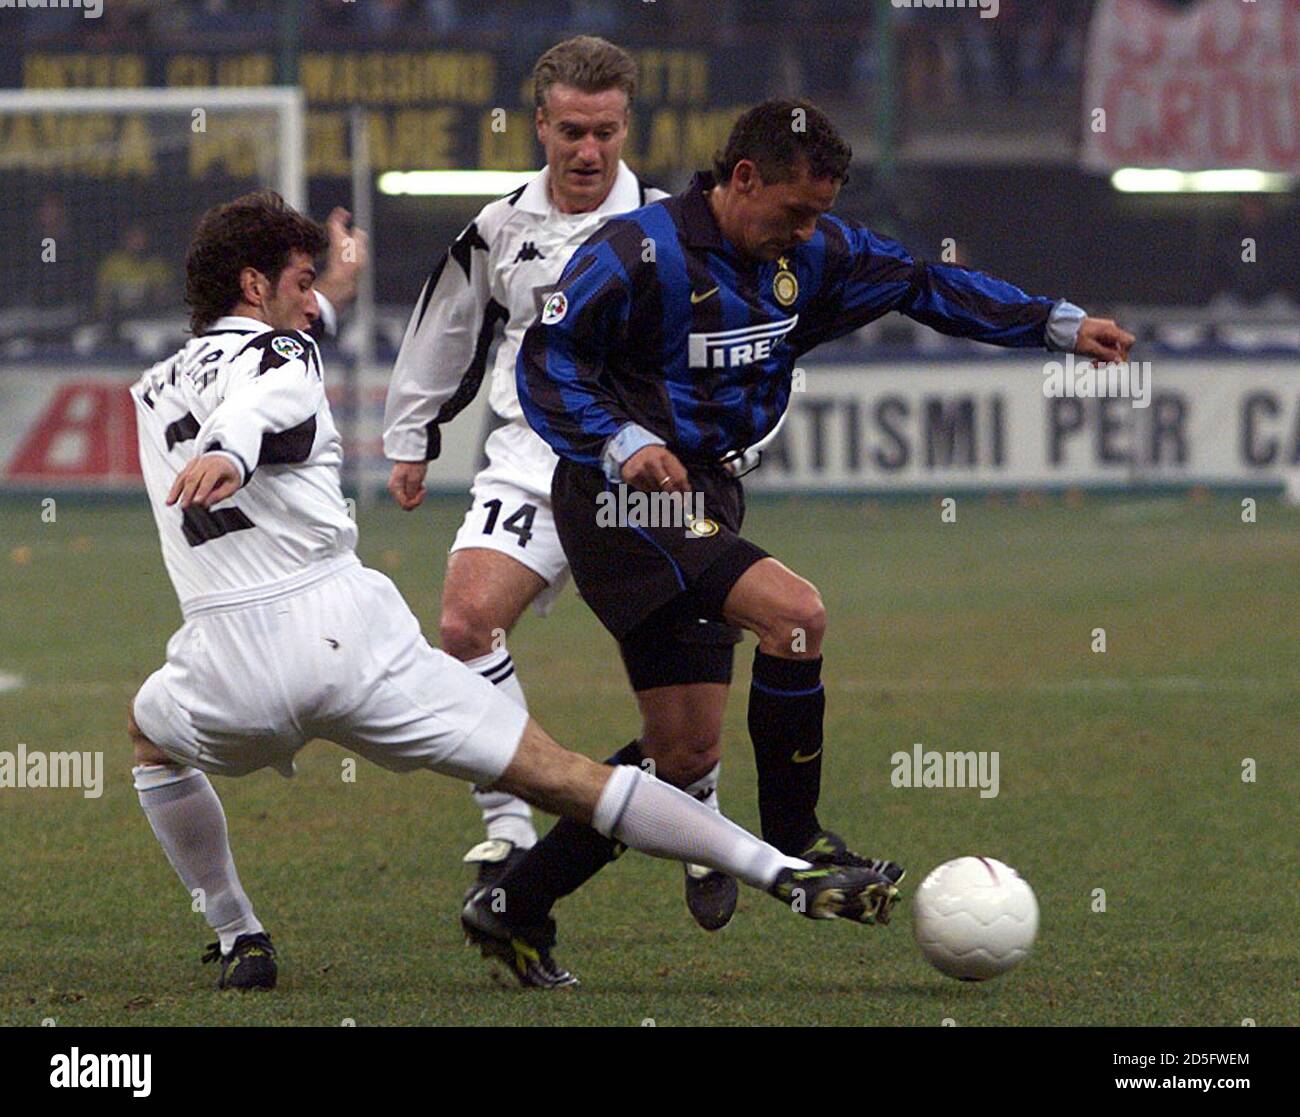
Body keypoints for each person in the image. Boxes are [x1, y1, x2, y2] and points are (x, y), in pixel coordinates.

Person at [127, 189, 899, 993]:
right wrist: (233, 450)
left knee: (150, 737)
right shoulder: (285, 358)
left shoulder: (151, 389)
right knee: (564, 775)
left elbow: (259, 356)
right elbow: (264, 398)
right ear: (258, 287)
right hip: (348, 641)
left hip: (223, 665)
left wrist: (332, 289)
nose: (309, 296)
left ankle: (237, 931)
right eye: (299, 280)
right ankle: (779, 869)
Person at [497, 97, 1135, 981]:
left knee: (681, 758)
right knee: (796, 615)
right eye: (795, 211)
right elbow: (548, 359)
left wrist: (1055, 324)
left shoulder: (812, 253)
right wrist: (623, 441)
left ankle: (515, 903)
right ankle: (798, 839)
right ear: (744, 177)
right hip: (621, 503)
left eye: (820, 216)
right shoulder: (639, 251)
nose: (806, 232)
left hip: (705, 495)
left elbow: (921, 282)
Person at [383, 36, 744, 931]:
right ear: (540, 124)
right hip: (535, 460)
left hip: (642, 471)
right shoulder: (499, 229)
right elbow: (445, 330)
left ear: (629, 127)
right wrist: (411, 438)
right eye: (573, 131)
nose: (589, 151)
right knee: (466, 624)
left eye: (608, 133)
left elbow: (733, 350)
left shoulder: (679, 228)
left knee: (680, 712)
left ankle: (699, 819)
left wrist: (724, 445)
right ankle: (509, 825)